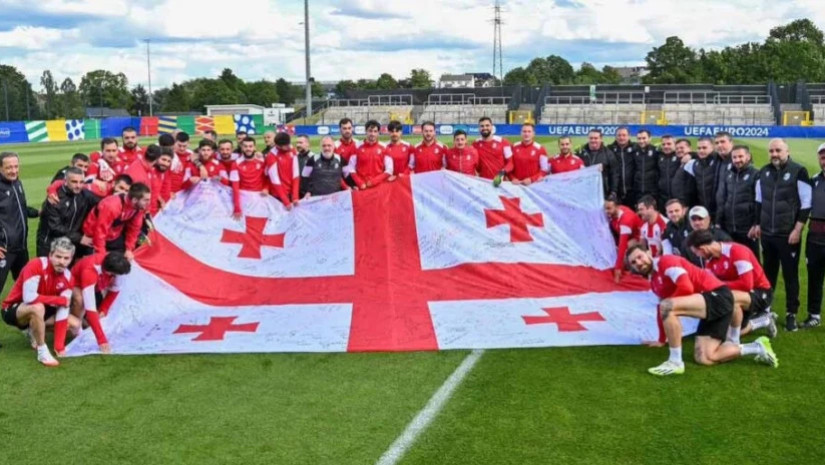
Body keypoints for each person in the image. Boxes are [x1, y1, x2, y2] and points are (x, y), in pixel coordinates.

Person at [626, 244, 778, 376]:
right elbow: (662, 309)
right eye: (633, 262)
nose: (638, 262)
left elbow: (686, 287)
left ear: (649, 253)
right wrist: (660, 340)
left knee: (667, 305)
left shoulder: (666, 261)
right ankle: (757, 347)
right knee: (705, 358)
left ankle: (675, 362)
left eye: (639, 257)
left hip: (718, 295)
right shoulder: (654, 282)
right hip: (710, 305)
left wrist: (671, 304)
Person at [754, 138, 811, 331]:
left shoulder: (799, 171)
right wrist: (758, 224)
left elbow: (806, 203)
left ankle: (791, 313)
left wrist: (797, 229)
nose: (774, 154)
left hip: (788, 234)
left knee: (790, 275)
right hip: (767, 234)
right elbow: (759, 200)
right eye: (771, 151)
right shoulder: (764, 171)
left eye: (778, 150)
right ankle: (766, 309)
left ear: (787, 151)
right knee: (768, 274)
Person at [687, 230, 778, 341]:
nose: (697, 256)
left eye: (696, 253)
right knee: (727, 330)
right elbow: (709, 284)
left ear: (703, 249)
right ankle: (764, 321)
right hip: (737, 294)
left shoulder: (738, 251)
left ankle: (734, 342)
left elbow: (747, 284)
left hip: (760, 292)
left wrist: (720, 285)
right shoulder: (709, 261)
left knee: (729, 298)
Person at [1, 237, 75, 366]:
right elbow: (29, 297)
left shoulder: (68, 277)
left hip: (42, 308)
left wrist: (59, 347)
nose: (61, 262)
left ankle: (33, 329)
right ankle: (42, 352)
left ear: (71, 259)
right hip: (13, 309)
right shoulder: (36, 265)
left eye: (66, 258)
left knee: (74, 325)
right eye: (58, 257)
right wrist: (58, 300)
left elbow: (63, 308)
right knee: (37, 307)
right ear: (50, 255)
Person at [69, 252, 131, 355]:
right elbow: (90, 308)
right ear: (108, 272)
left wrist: (104, 309)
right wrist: (102, 340)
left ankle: (81, 323)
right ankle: (76, 330)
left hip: (97, 285)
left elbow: (115, 290)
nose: (117, 277)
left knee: (100, 315)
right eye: (115, 275)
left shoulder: (117, 267)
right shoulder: (89, 270)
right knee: (81, 300)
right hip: (76, 282)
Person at [0, 151, 39, 294]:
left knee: (26, 288)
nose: (14, 171)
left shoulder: (17, 183)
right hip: (4, 250)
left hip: (21, 247)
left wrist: (38, 212)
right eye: (9, 167)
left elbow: (20, 208)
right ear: (0, 168)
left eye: (16, 166)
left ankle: (20, 309)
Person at [82, 182, 151, 259]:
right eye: (146, 200)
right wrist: (101, 254)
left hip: (113, 235)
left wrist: (129, 249)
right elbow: (100, 231)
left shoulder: (139, 208)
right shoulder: (112, 206)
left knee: (129, 255)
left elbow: (134, 229)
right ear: (134, 200)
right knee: (96, 261)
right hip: (93, 235)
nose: (148, 203)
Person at [36, 168, 95, 257]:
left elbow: (103, 203)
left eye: (81, 182)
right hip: (50, 245)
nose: (78, 186)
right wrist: (79, 238)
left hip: (71, 243)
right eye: (74, 182)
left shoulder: (84, 194)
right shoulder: (54, 198)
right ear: (65, 181)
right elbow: (55, 227)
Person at [715, 145, 760, 257]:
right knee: (732, 259)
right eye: (734, 157)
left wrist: (756, 224)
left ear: (748, 157)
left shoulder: (756, 174)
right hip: (729, 227)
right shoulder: (729, 174)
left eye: (740, 156)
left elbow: (759, 202)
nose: (737, 160)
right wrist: (718, 222)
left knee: (751, 259)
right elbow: (723, 199)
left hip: (747, 228)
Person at [802, 143, 825, 329]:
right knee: (815, 279)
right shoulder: (814, 180)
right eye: (822, 157)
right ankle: (814, 315)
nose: (824, 160)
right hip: (815, 238)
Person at [605, 194, 642, 283]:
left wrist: (618, 268)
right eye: (605, 208)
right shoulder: (612, 214)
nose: (606, 211)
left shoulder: (626, 219)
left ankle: (632, 270)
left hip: (637, 238)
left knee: (626, 249)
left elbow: (623, 244)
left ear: (617, 207)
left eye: (609, 209)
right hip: (623, 237)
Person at [348, 120, 393, 188]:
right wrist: (360, 182)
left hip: (378, 186)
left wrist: (374, 181)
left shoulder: (385, 147)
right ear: (366, 131)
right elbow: (351, 168)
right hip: (362, 187)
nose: (372, 134)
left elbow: (389, 170)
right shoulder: (356, 146)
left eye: (375, 131)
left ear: (378, 132)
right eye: (370, 131)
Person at [125, 144, 167, 216]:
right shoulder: (141, 177)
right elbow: (138, 202)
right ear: (157, 159)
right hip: (135, 213)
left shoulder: (138, 164)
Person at [682, 137, 720, 213]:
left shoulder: (719, 160)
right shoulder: (696, 164)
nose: (701, 150)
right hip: (702, 207)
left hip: (718, 208)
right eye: (699, 148)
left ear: (713, 148)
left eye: (704, 148)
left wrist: (691, 154)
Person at [577, 128, 617, 197]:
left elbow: (614, 174)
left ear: (601, 139)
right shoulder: (581, 153)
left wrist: (613, 192)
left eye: (596, 138)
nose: (593, 140)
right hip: (584, 192)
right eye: (591, 138)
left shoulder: (608, 154)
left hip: (603, 192)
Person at [472, 116, 513, 183]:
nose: (484, 128)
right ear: (479, 128)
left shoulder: (504, 142)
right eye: (482, 126)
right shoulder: (475, 144)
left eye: (487, 125)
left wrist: (503, 172)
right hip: (483, 183)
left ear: (491, 127)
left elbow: (511, 163)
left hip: (500, 183)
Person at [267, 132, 301, 208]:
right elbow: (275, 180)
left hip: (291, 193)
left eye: (288, 144)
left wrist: (295, 196)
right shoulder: (271, 156)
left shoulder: (292, 150)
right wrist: (285, 200)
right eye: (286, 146)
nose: (288, 146)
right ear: (278, 146)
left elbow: (296, 174)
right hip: (278, 195)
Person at [631, 129, 659, 203]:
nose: (641, 141)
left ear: (650, 138)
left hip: (652, 191)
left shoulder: (656, 151)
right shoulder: (634, 151)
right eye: (639, 138)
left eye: (644, 138)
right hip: (637, 190)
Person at [608, 127, 635, 206]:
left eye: (624, 135)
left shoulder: (635, 148)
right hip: (616, 192)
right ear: (615, 136)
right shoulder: (609, 149)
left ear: (629, 136)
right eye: (619, 135)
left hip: (633, 191)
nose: (621, 137)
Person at [656, 135, 681, 208]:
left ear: (675, 144)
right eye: (663, 144)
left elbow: (695, 155)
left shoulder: (680, 155)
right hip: (662, 196)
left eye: (669, 144)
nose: (666, 146)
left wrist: (691, 154)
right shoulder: (659, 156)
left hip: (677, 196)